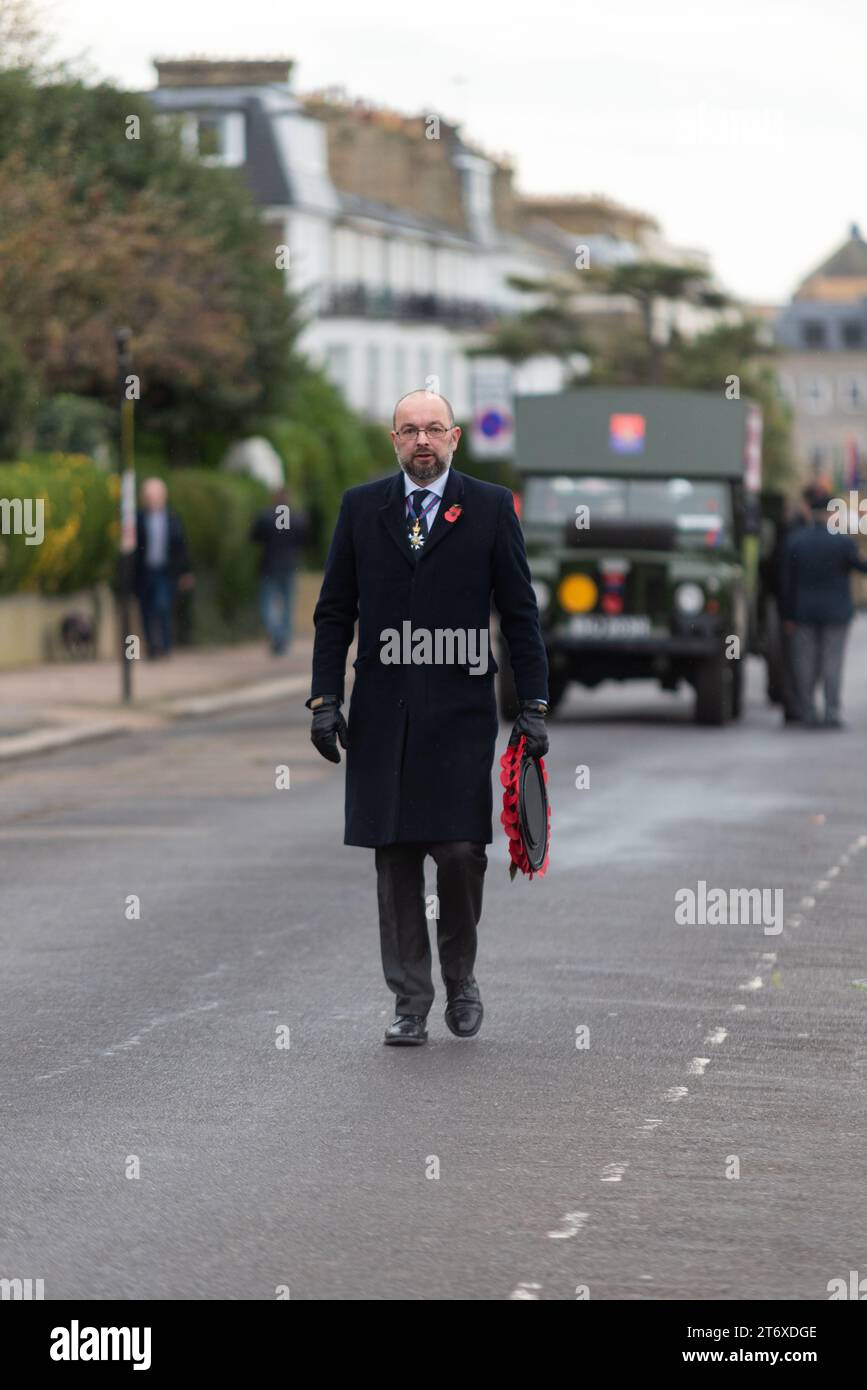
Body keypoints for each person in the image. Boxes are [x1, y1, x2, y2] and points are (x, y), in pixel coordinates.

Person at [306, 390, 549, 1047]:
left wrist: (533, 704)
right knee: (396, 856)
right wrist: (324, 700)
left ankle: (461, 977)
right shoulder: (361, 508)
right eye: (409, 429)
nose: (422, 440)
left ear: (454, 438)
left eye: (433, 429)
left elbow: (519, 614)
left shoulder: (492, 507)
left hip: (460, 712)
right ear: (393, 439)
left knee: (460, 850)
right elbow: (334, 612)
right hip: (383, 712)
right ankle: (410, 1000)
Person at [782, 488, 867, 728]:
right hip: (836, 613)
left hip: (803, 613)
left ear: (810, 511)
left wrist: (788, 615)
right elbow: (862, 567)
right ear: (831, 513)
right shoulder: (842, 542)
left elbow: (787, 582)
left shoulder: (796, 541)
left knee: (805, 663)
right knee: (832, 663)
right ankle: (831, 712)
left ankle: (808, 711)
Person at [134, 478, 194, 659]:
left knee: (163, 606)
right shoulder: (138, 519)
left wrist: (186, 572)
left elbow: (181, 546)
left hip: (166, 572)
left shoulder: (172, 519)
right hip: (145, 572)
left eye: (156, 496)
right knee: (146, 610)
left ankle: (166, 646)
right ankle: (152, 648)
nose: (153, 500)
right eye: (149, 496)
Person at [250, 487, 308, 656]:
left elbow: (254, 537)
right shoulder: (298, 518)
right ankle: (283, 639)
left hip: (269, 565)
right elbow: (304, 540)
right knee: (288, 605)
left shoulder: (266, 516)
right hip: (290, 566)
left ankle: (276, 634)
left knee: (267, 604)